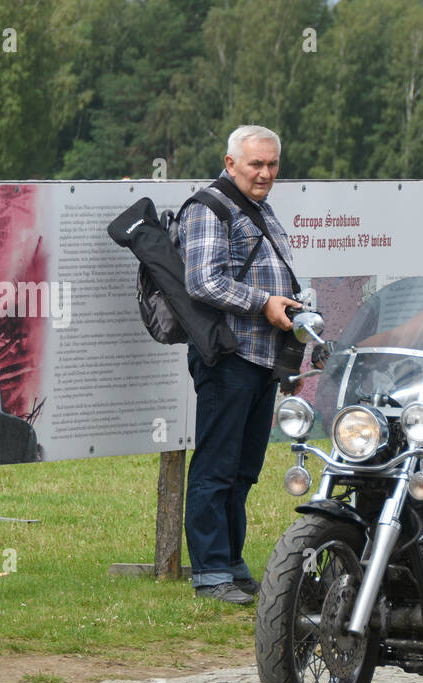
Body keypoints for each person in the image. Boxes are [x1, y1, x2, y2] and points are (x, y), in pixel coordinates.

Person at [180, 124, 303, 604]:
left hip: (262, 357)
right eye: (256, 164)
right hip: (229, 356)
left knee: (244, 467)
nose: (266, 172)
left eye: (272, 164)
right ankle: (210, 573)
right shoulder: (208, 207)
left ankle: (231, 561)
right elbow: (203, 282)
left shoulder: (261, 208)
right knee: (215, 465)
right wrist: (264, 303)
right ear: (230, 163)